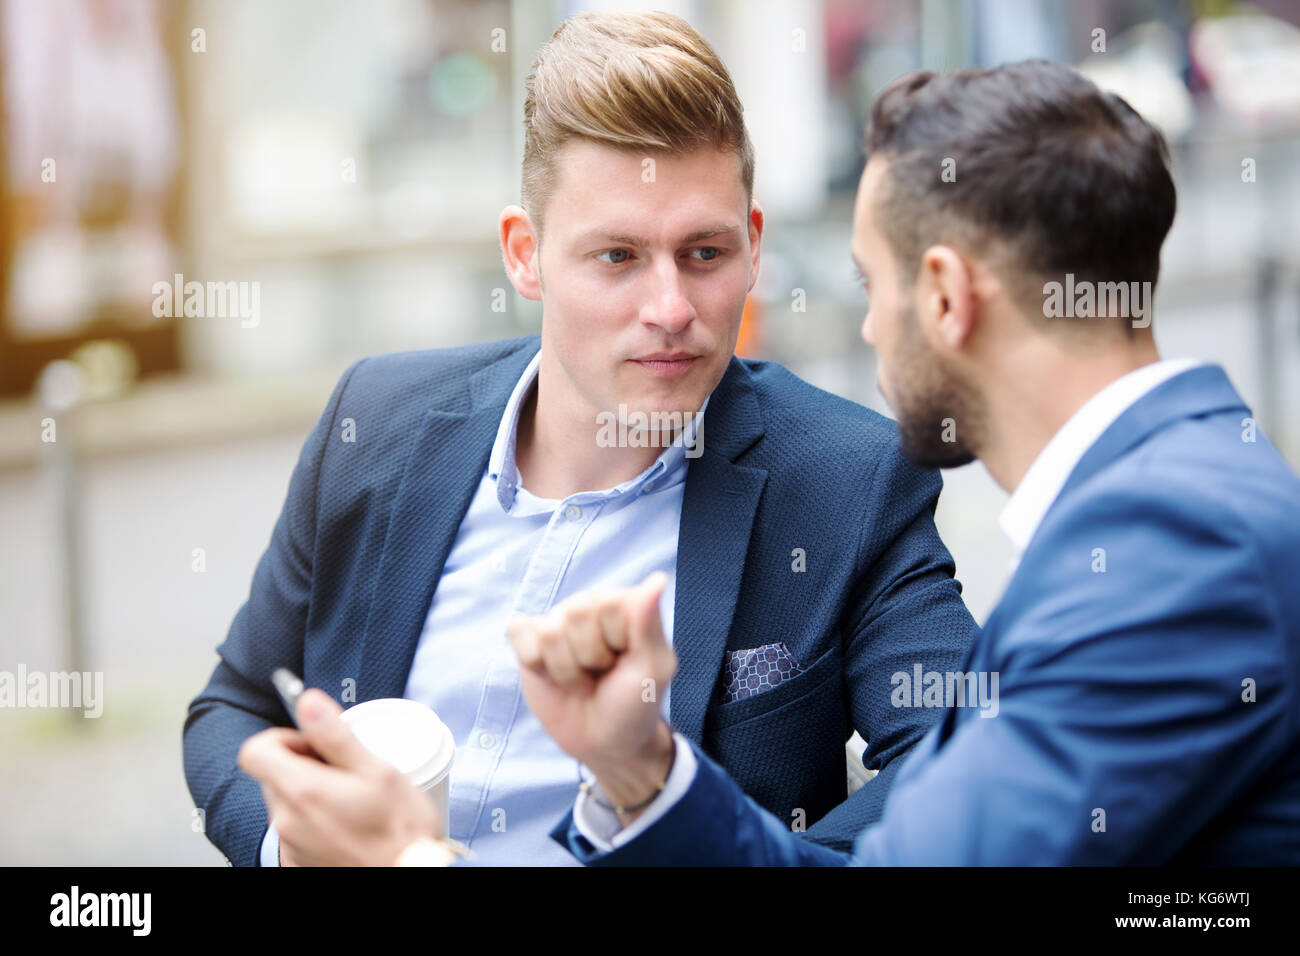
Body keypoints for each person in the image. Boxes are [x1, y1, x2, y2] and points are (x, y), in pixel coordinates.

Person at [182, 10, 977, 867]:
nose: (670, 308)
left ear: (753, 249)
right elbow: (236, 703)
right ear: (525, 256)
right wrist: (291, 849)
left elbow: (965, 776)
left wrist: (666, 797)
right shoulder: (374, 421)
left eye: (703, 253)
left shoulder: (848, 478)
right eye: (617, 257)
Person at [506, 60, 1300, 865]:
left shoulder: (1171, 552)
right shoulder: (1172, 509)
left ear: (946, 297)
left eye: (869, 283)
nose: (869, 331)